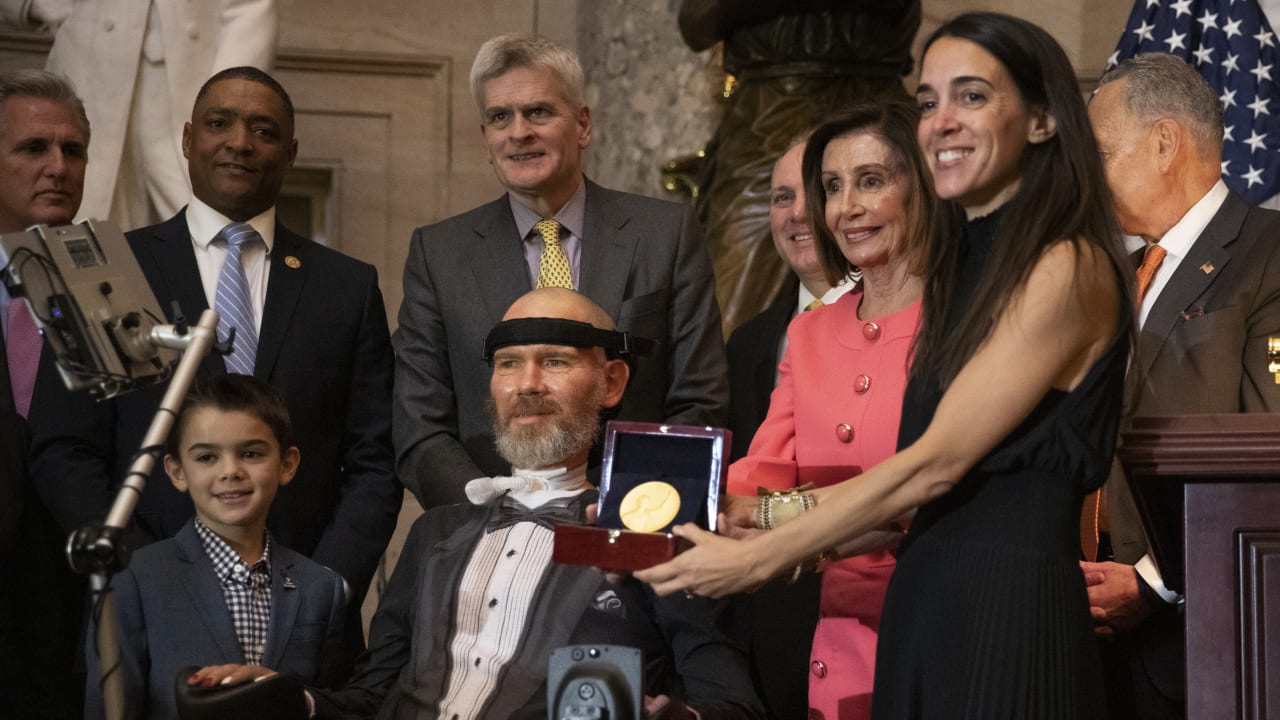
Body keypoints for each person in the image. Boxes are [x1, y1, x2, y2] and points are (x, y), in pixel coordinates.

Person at [639, 12, 1132, 718]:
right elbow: (895, 507)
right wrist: (731, 513)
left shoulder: (1066, 263)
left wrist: (757, 559)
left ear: (1044, 121)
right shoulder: (970, 275)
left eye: (972, 96)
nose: (942, 121)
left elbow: (932, 466)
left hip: (1008, 611)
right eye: (928, 101)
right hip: (926, 606)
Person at [186, 288, 764, 720]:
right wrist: (292, 698)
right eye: (508, 364)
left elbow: (732, 703)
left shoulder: (661, 532)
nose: (526, 384)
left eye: (555, 361)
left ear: (611, 382)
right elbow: (371, 697)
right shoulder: (434, 533)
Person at [28, 66, 400, 634]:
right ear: (187, 139)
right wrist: (146, 575)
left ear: (291, 151)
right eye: (219, 123)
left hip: (304, 622)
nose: (239, 142)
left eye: (263, 130)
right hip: (142, 611)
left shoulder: (346, 287)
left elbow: (374, 459)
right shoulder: (109, 271)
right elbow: (65, 450)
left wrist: (330, 583)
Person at [393, 32, 728, 510]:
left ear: (583, 124)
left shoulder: (665, 233)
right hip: (484, 527)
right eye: (499, 117)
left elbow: (699, 401)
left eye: (539, 112)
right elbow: (418, 424)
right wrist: (496, 514)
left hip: (630, 529)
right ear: (485, 139)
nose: (518, 132)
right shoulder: (438, 253)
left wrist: (617, 510)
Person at [1085, 52, 1280, 720]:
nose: (1089, 178)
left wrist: (1153, 584)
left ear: (1165, 143)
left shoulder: (1269, 253)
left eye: (1102, 153)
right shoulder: (1111, 273)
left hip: (1206, 638)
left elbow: (1268, 453)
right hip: (1086, 633)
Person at [728, 102, 935, 720]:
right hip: (832, 654)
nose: (845, 208)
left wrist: (775, 516)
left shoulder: (967, 326)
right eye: (833, 188)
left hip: (937, 635)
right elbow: (756, 478)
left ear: (922, 188)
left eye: (871, 181)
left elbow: (918, 501)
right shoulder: (810, 335)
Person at [85, 373, 348, 720]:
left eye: (251, 453)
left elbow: (335, 705)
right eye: (207, 457)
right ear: (177, 470)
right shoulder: (133, 580)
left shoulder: (321, 587)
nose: (230, 471)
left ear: (287, 464)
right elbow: (110, 710)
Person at [677, 0, 919, 333]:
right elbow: (696, 22)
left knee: (907, 280)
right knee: (733, 300)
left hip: (876, 93)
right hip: (771, 109)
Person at [0, 0, 278, 230]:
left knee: (206, 223)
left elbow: (249, 7)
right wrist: (35, 4)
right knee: (87, 223)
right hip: (92, 68)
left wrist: (230, 97)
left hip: (188, 79)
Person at [0, 68, 91, 719]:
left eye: (72, 150)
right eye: (33, 149)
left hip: (77, 601)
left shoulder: (121, 281)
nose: (57, 167)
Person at [724, 133, 854, 462]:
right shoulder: (745, 344)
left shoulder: (901, 314)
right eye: (783, 198)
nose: (798, 212)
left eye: (816, 193)